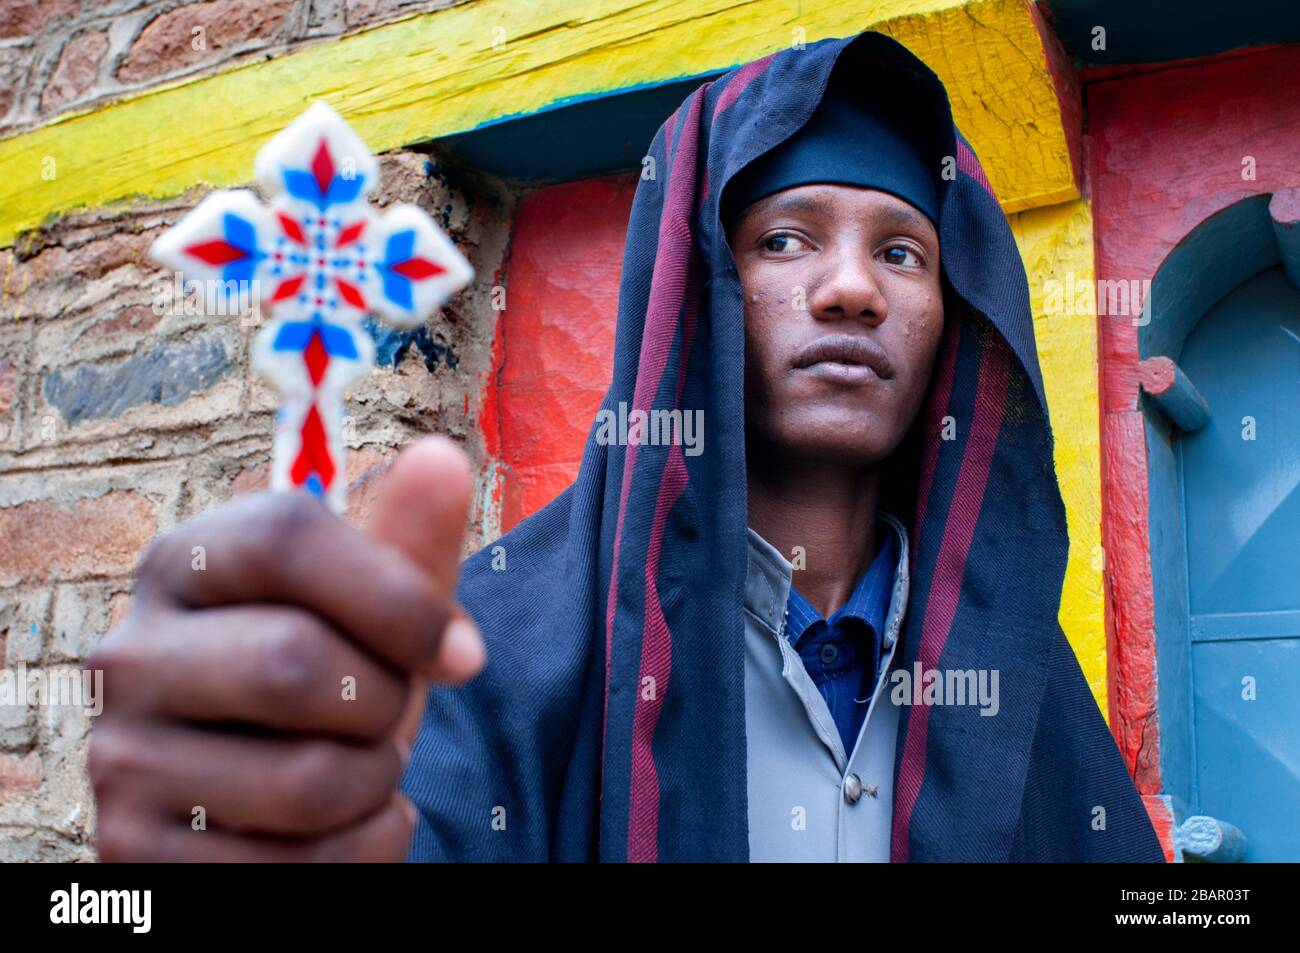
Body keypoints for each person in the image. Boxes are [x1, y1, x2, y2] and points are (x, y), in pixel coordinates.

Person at [87, 30, 1165, 862]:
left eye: (900, 251)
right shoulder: (491, 646)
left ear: (954, 316)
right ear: (696, 290)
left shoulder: (1010, 669)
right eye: (784, 239)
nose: (849, 288)